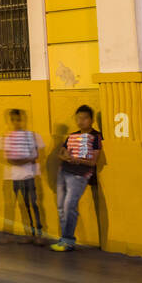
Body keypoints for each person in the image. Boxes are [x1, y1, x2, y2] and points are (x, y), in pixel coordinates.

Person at [52, 105, 102, 252]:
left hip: (80, 175)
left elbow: (93, 162)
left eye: (84, 118)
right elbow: (61, 153)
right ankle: (64, 238)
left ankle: (68, 241)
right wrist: (65, 157)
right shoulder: (72, 136)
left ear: (91, 120)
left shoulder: (96, 137)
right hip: (65, 171)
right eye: (78, 118)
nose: (81, 121)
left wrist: (77, 160)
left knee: (69, 206)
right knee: (61, 207)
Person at [0, 108, 45, 243]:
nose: (16, 123)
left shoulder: (33, 137)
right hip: (11, 178)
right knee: (11, 206)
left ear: (23, 121)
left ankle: (37, 235)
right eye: (13, 120)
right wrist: (25, 159)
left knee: (31, 205)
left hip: (28, 176)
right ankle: (15, 234)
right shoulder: (4, 138)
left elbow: (37, 156)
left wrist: (18, 160)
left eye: (18, 120)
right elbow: (5, 158)